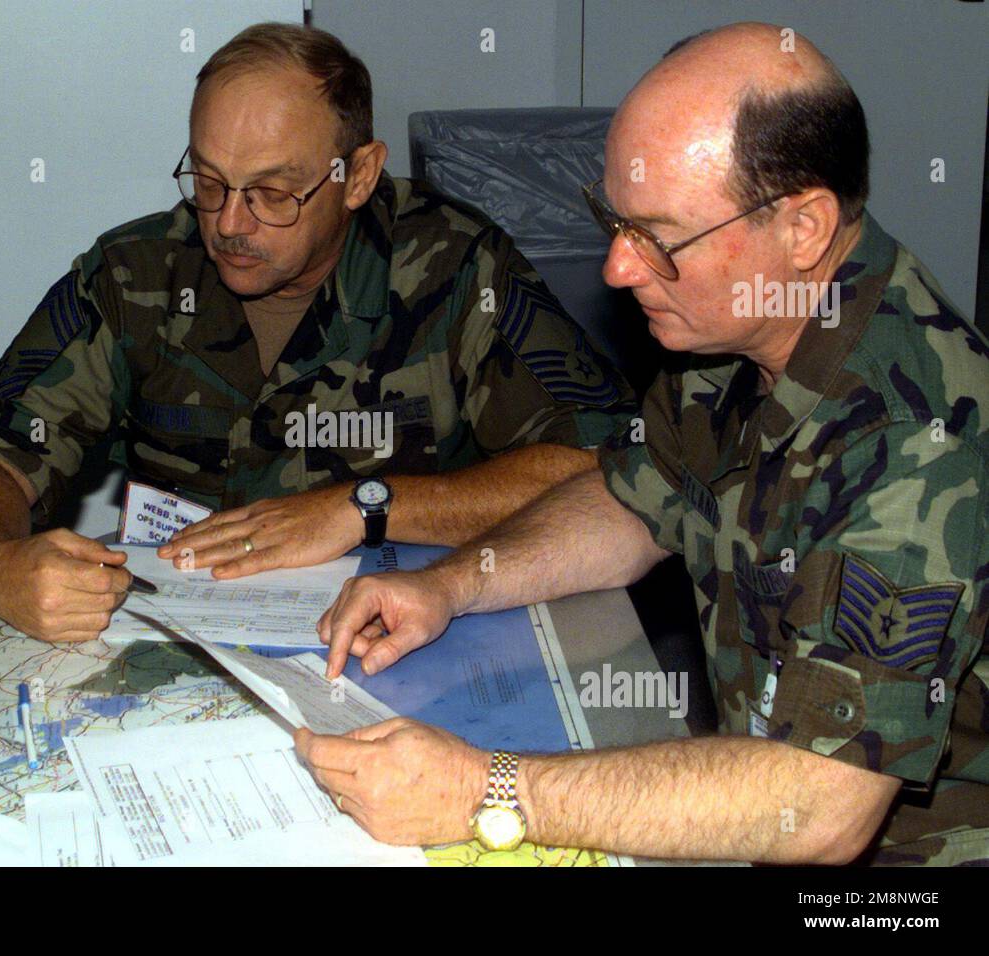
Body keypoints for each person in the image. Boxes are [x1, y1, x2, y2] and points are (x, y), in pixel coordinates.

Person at [296, 22, 989, 865]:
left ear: (804, 228)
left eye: (658, 238)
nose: (619, 269)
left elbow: (818, 805)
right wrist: (453, 584)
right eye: (613, 221)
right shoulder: (740, 325)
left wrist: (484, 790)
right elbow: (635, 503)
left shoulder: (918, 442)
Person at [0, 23, 632, 644]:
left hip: (398, 636)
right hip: (181, 642)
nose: (229, 223)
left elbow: (605, 467)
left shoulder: (453, 268)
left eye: (271, 193)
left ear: (357, 176)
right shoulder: (135, 276)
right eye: (208, 182)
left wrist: (366, 508)